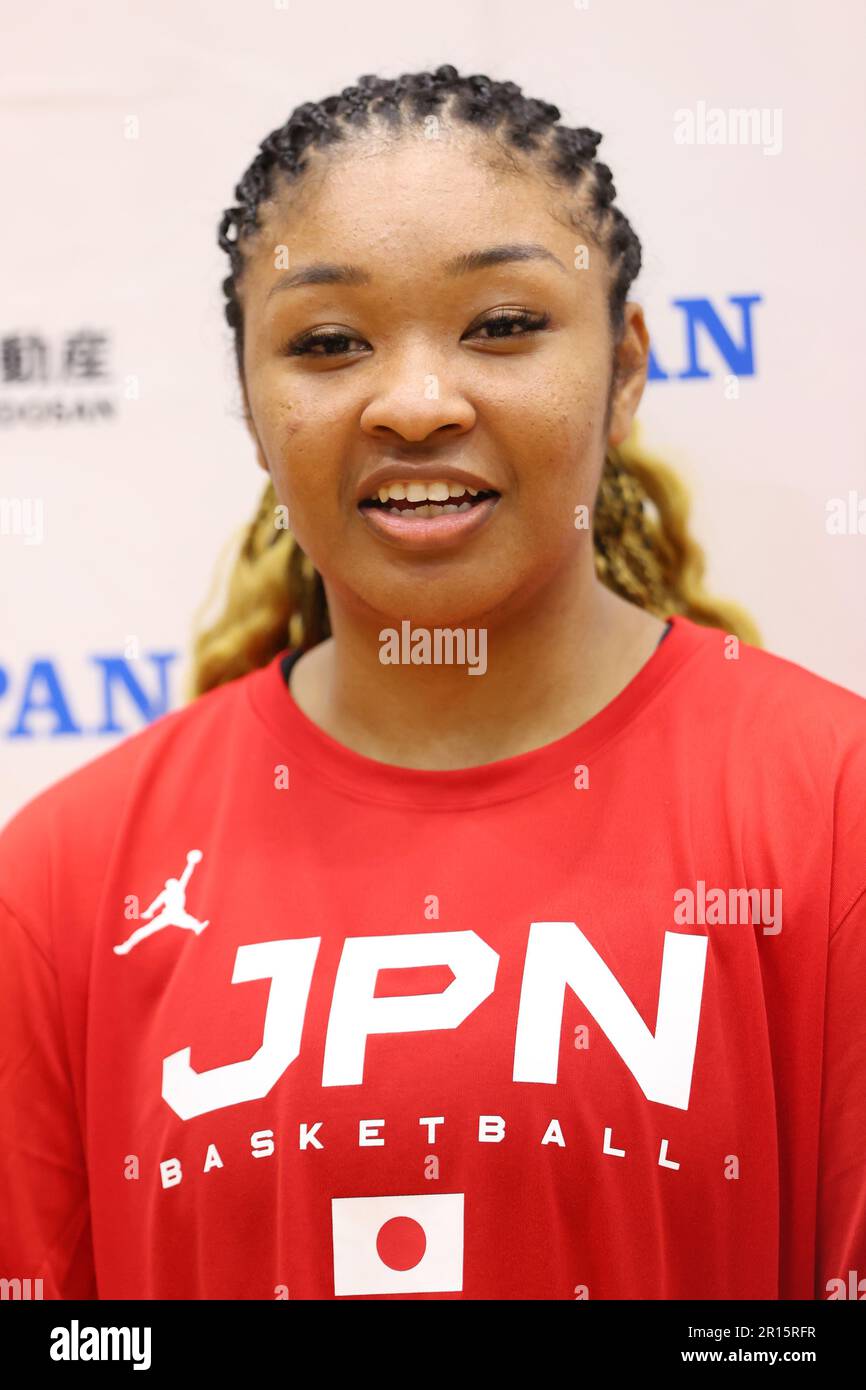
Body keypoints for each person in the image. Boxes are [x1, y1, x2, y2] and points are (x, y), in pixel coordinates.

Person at [0, 64, 863, 1302]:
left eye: (502, 324)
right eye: (329, 341)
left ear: (623, 371)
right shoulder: (63, 879)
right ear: (250, 404)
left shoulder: (833, 814)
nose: (412, 403)